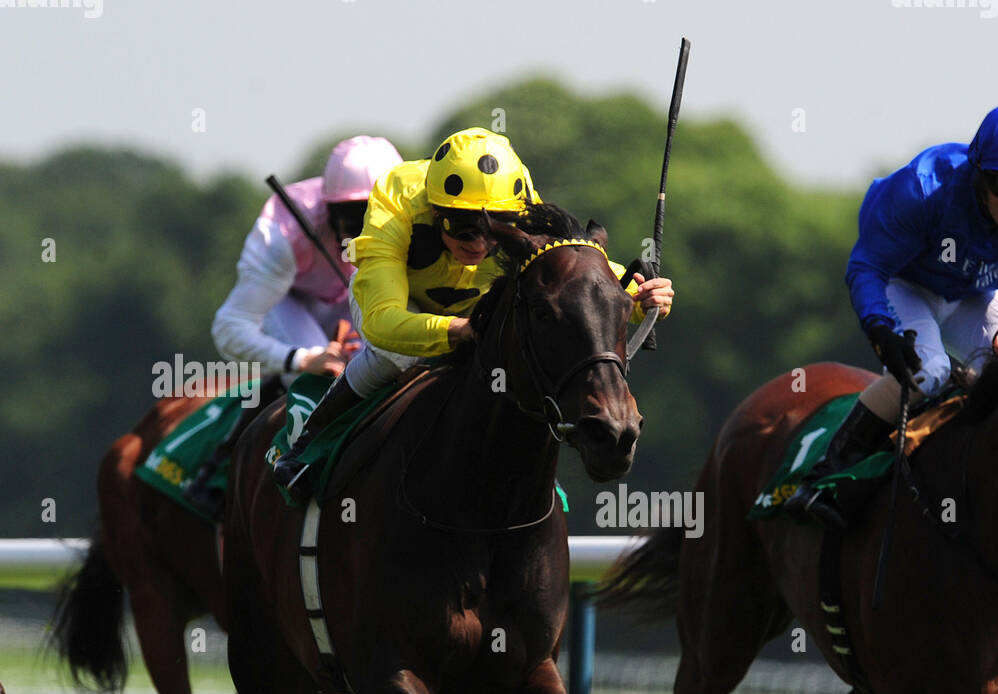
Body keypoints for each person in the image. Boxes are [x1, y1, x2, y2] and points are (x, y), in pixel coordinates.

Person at [271, 127, 675, 496]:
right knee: (395, 353)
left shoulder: (522, 204)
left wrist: (638, 296)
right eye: (462, 227)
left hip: (476, 306)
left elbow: (576, 275)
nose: (479, 245)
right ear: (433, 211)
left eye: (494, 228)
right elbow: (380, 321)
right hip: (397, 304)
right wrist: (455, 331)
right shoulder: (397, 199)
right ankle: (309, 442)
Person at [785, 100, 998, 528]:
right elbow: (868, 266)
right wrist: (879, 328)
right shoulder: (923, 189)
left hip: (975, 293)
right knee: (929, 371)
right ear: (979, 174)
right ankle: (825, 475)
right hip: (907, 285)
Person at [182, 135, 403, 515]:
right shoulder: (281, 235)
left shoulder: (421, 217)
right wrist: (302, 359)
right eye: (350, 216)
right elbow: (230, 328)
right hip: (292, 303)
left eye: (375, 214)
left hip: (359, 293)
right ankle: (231, 464)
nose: (362, 231)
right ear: (328, 209)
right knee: (330, 376)